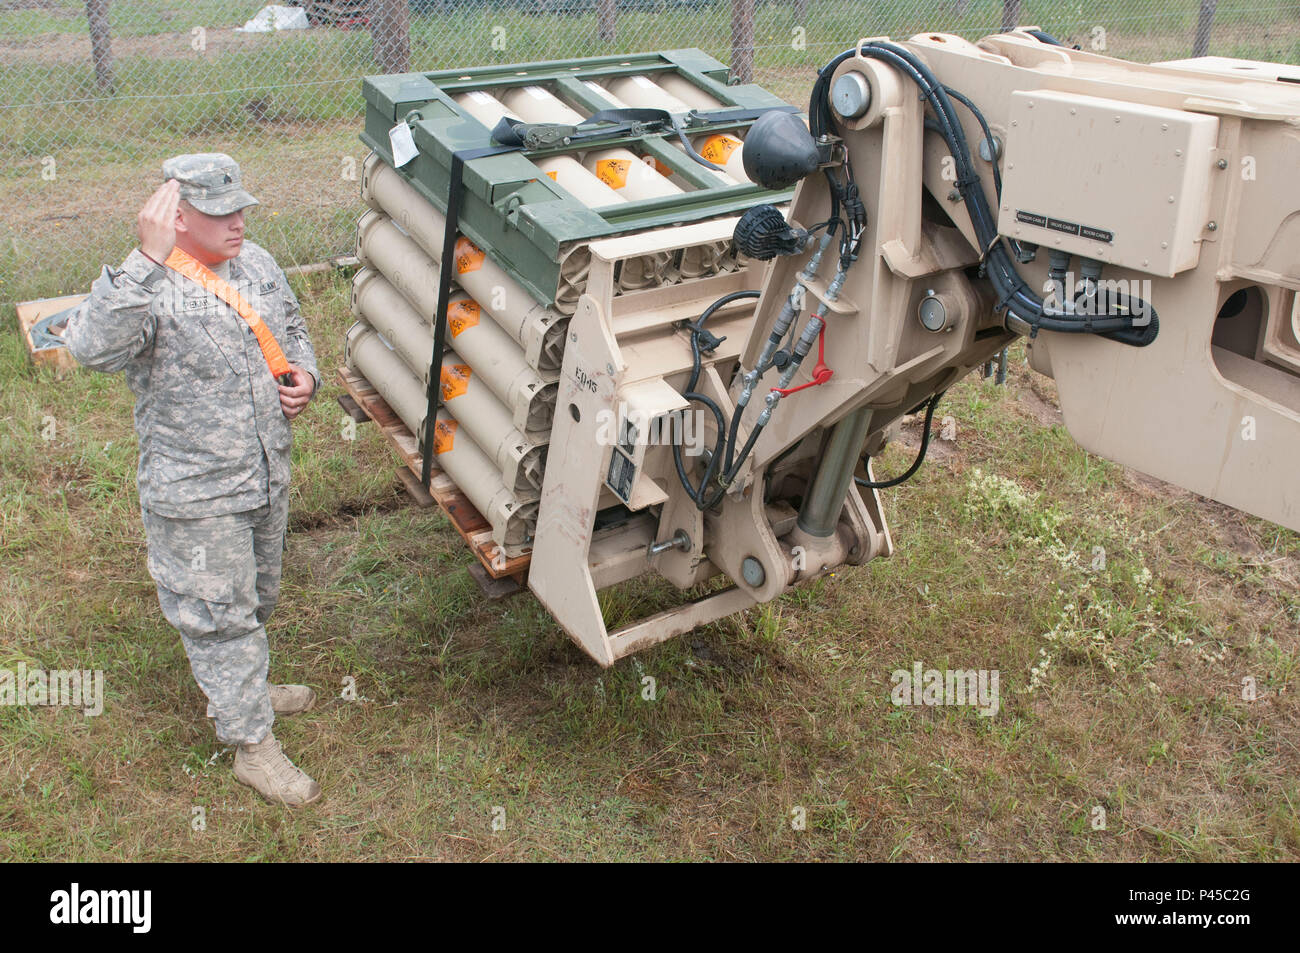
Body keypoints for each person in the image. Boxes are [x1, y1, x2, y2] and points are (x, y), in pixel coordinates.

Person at [65, 154, 323, 806]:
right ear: (174, 218)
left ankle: (245, 685)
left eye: (241, 207)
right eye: (220, 213)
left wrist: (304, 376)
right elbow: (91, 347)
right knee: (219, 616)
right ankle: (252, 747)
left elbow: (291, 326)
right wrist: (145, 261)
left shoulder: (256, 263)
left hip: (263, 474)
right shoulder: (146, 284)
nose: (238, 221)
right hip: (196, 493)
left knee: (257, 595)